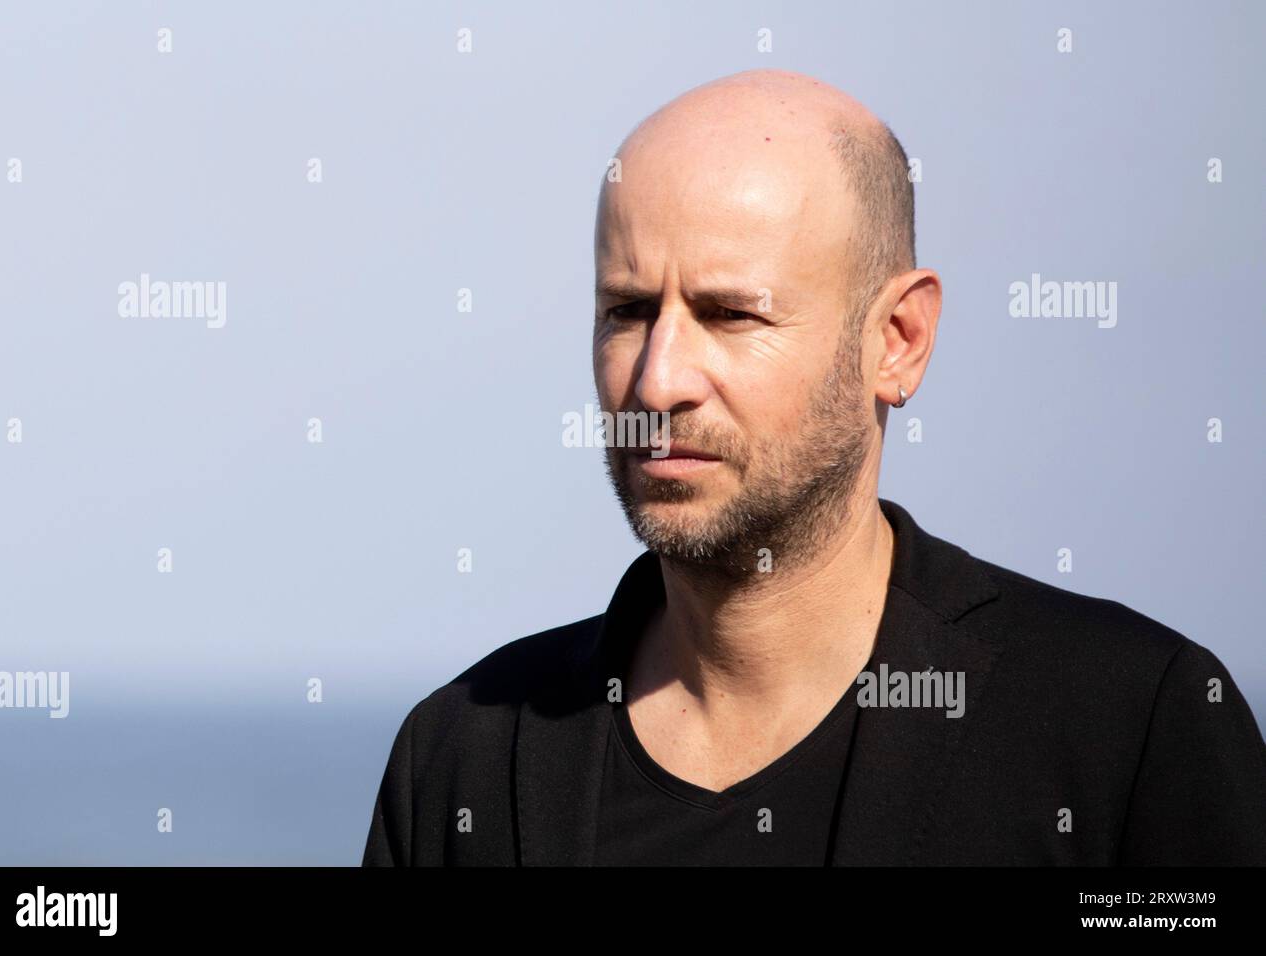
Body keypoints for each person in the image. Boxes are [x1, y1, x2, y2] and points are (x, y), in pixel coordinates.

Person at [363, 69, 1266, 866]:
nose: (659, 381)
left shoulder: (1128, 731)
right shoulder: (462, 758)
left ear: (898, 340)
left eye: (731, 314)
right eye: (628, 311)